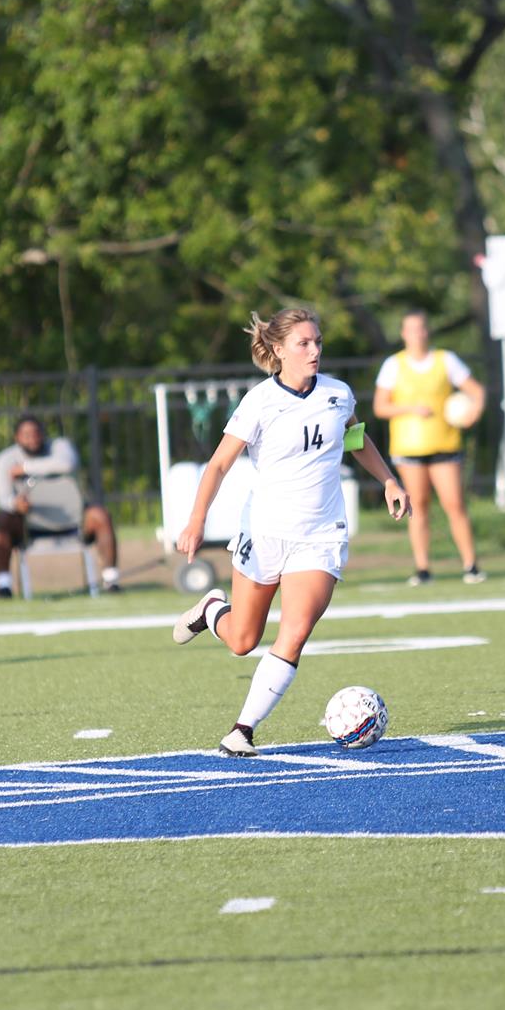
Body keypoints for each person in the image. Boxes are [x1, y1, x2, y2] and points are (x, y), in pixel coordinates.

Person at [170, 307, 410, 756]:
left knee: (295, 633)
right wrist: (197, 519)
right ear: (278, 350)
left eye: (318, 341)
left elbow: (355, 440)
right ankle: (211, 609)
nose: (315, 350)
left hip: (321, 535)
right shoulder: (261, 401)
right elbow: (219, 464)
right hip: (264, 532)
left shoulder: (338, 394)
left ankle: (242, 729)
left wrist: (389, 480)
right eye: (304, 343)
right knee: (243, 640)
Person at [372, 309, 486, 585]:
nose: (418, 334)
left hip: (444, 443)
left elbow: (477, 392)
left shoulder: (446, 360)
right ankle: (422, 568)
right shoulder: (393, 365)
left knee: (454, 504)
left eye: (422, 328)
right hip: (409, 447)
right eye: (412, 329)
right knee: (418, 506)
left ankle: (470, 565)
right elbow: (380, 407)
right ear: (403, 334)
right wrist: (411, 408)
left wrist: (472, 414)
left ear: (428, 331)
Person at [0, 415, 121, 597]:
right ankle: (3, 584)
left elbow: (66, 464)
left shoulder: (60, 447)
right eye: (26, 435)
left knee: (100, 515)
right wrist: (16, 504)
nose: (32, 438)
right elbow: (3, 497)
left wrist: (25, 468)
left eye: (36, 433)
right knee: (2, 520)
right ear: (17, 438)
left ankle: (110, 580)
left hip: (74, 520)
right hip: (29, 524)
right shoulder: (5, 459)